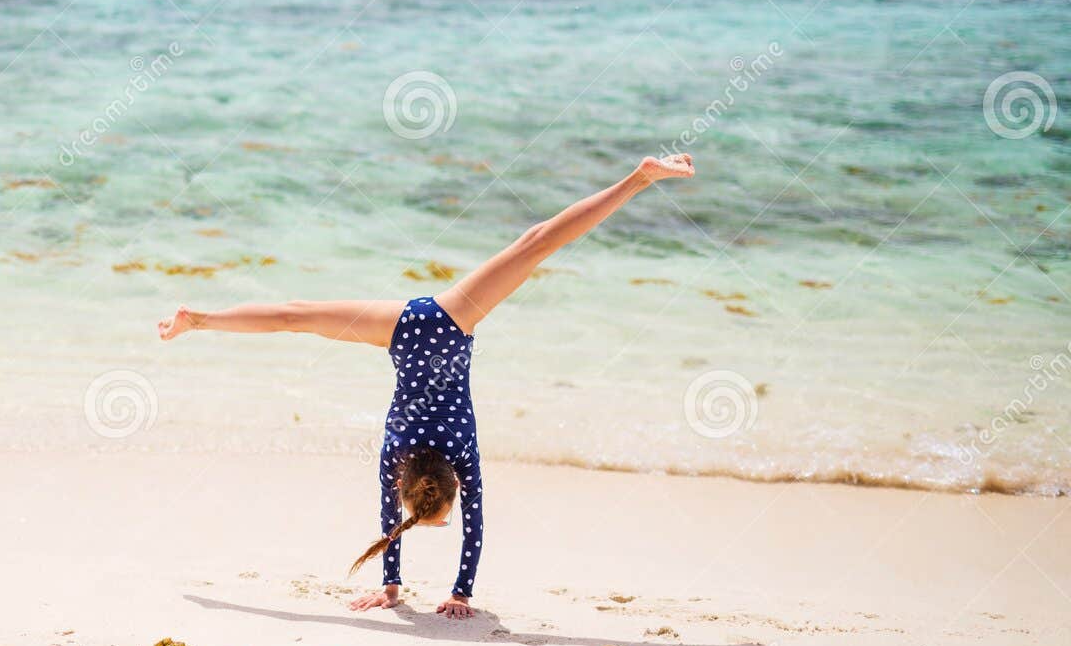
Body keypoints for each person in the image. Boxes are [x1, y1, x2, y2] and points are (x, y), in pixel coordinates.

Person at [158, 153, 695, 618]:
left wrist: (451, 591)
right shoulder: (395, 458)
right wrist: (402, 586)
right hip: (406, 327)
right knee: (295, 316)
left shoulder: (461, 455)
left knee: (536, 246)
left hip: (449, 320)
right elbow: (392, 521)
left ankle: (639, 179)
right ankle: (199, 319)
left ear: (444, 487)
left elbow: (473, 528)